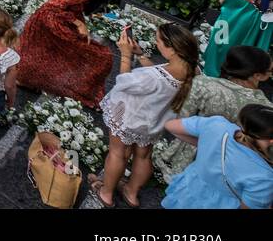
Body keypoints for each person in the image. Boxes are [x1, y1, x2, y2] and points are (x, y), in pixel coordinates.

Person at [91, 22, 199, 208]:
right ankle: (131, 193)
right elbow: (158, 72)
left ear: (172, 49)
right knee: (143, 156)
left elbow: (124, 81)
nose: (156, 44)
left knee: (118, 153)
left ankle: (106, 193)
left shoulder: (154, 78)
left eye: (158, 41)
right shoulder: (192, 70)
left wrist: (126, 54)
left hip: (131, 117)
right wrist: (140, 54)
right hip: (154, 122)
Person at [155, 45, 272, 183]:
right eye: (270, 71)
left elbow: (182, 118)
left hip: (187, 149)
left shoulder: (202, 84)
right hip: (225, 161)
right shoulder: (264, 107)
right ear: (257, 75)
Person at [16, 0, 126, 107]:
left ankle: (26, 79)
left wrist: (79, 22)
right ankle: (80, 90)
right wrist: (78, 23)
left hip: (52, 22)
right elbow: (51, 7)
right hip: (51, 23)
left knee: (42, 53)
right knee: (102, 56)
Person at [161, 105, 273, 210]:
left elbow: (170, 126)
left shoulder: (217, 124)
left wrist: (203, 144)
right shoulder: (263, 177)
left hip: (189, 190)